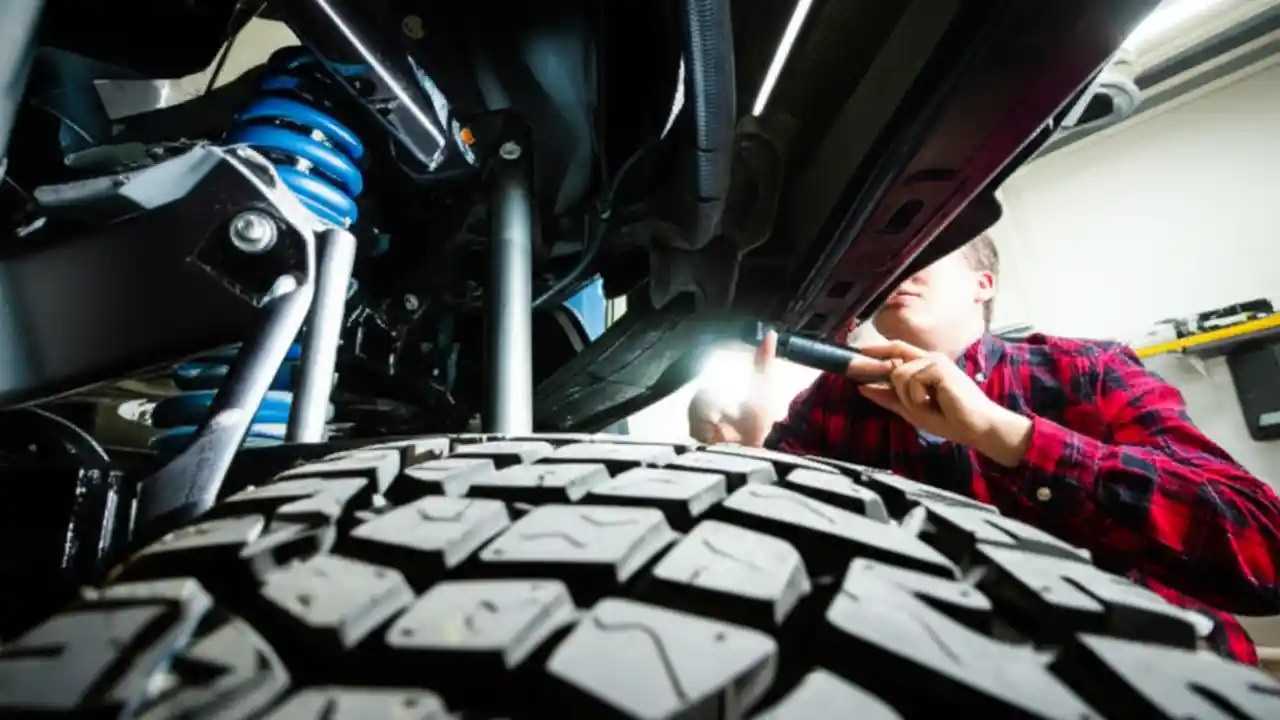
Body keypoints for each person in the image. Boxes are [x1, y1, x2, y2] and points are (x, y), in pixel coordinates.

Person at [691, 233, 1280, 664]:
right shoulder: (830, 404)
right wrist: (747, 456)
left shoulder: (1087, 371)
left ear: (984, 284)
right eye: (890, 255)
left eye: (927, 250)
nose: (899, 263)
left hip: (1154, 684)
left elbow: (1263, 548)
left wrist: (1002, 434)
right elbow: (768, 560)